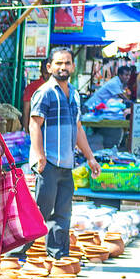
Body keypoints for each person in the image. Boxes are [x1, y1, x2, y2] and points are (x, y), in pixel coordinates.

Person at [28, 48, 101, 259]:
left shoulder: (75, 94)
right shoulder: (45, 92)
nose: (63, 67)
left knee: (62, 216)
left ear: (73, 67)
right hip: (48, 164)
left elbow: (78, 129)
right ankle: (15, 256)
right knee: (39, 213)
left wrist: (90, 157)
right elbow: (34, 125)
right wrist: (39, 155)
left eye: (67, 63)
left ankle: (57, 259)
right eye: (58, 63)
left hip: (67, 166)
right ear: (49, 67)